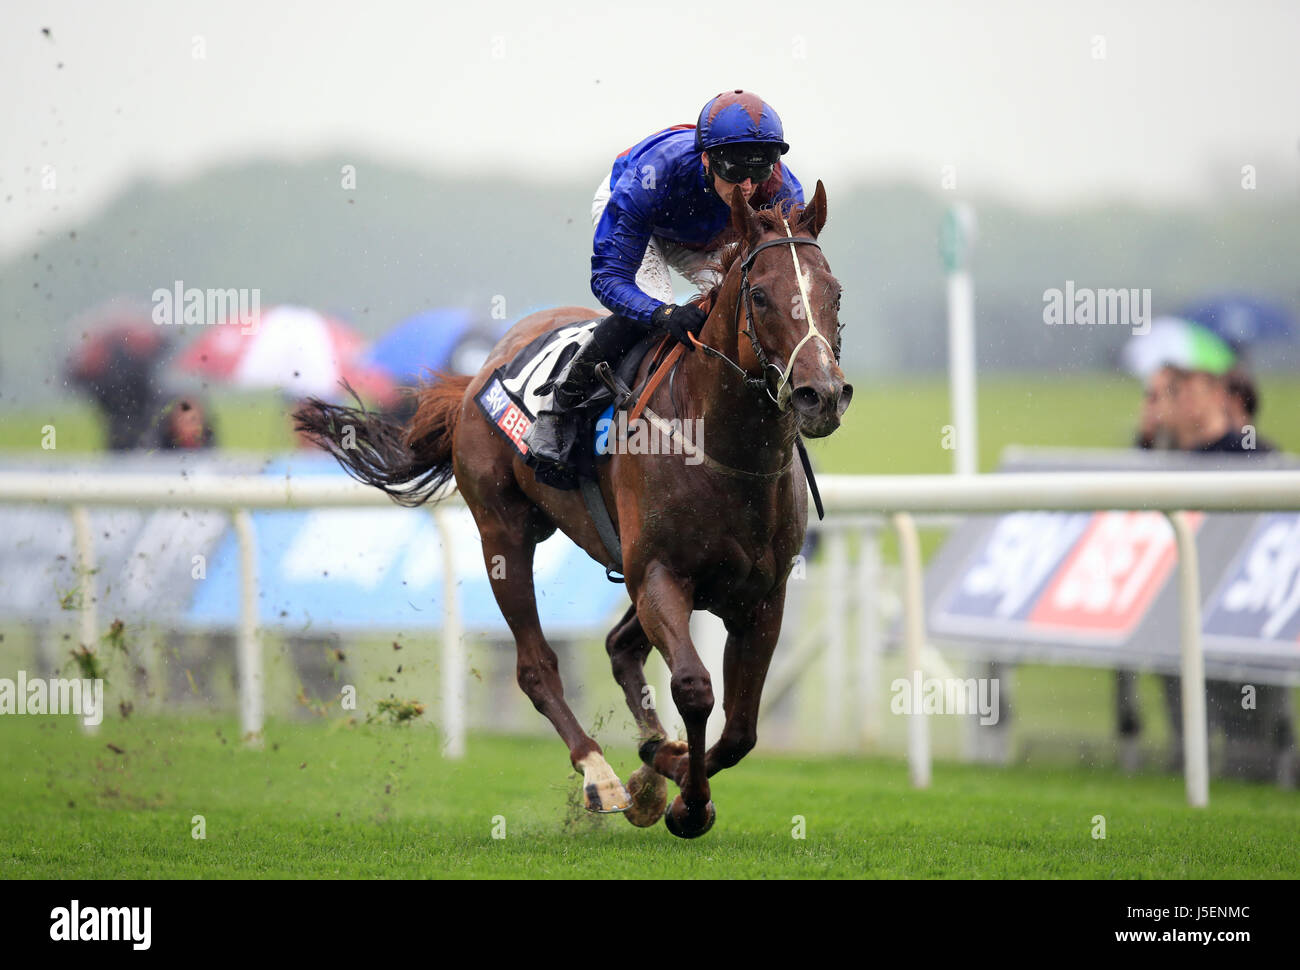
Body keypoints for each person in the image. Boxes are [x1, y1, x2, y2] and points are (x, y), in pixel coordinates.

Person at [524, 89, 805, 470]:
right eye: (734, 172)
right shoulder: (653, 173)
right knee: (649, 307)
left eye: (758, 171)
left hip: (708, 238)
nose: (747, 186)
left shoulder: (783, 191)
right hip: (645, 224)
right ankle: (561, 407)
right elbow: (609, 279)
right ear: (707, 158)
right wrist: (664, 314)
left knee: (741, 306)